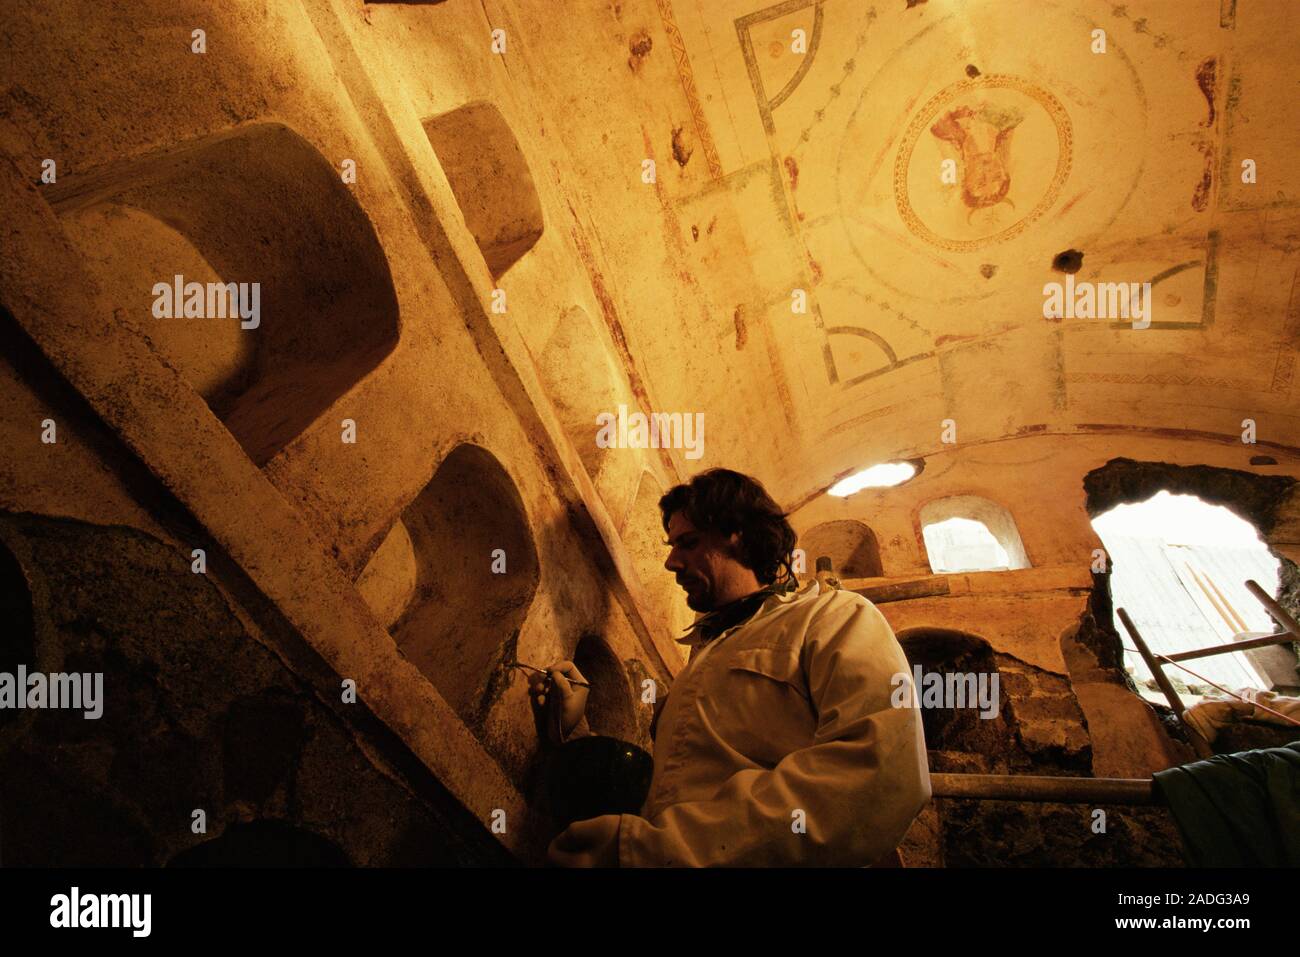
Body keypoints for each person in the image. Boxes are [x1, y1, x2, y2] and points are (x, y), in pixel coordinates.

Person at [529, 468, 930, 866]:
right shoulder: (704, 656)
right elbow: (672, 798)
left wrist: (648, 851)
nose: (670, 562)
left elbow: (880, 776)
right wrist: (573, 730)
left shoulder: (834, 617)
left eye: (687, 543)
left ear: (735, 533)